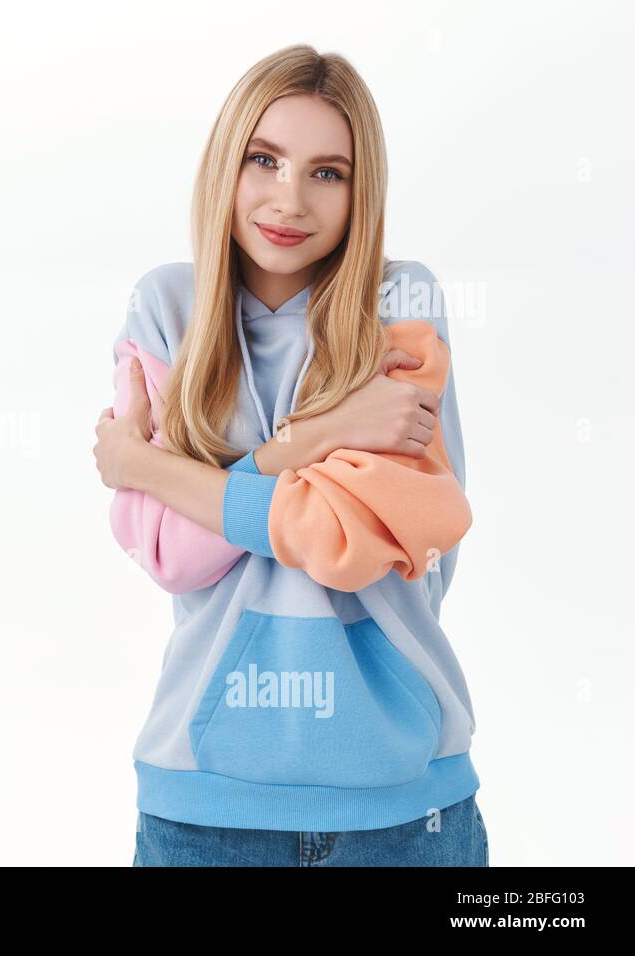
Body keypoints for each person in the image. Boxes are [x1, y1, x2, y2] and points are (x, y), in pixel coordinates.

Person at [92, 43, 489, 867]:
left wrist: (152, 470)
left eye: (327, 173)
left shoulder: (401, 302)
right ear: (226, 164)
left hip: (405, 809)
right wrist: (321, 436)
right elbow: (173, 552)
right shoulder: (166, 307)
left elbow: (366, 544)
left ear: (360, 191)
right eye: (264, 159)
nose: (288, 199)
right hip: (204, 804)